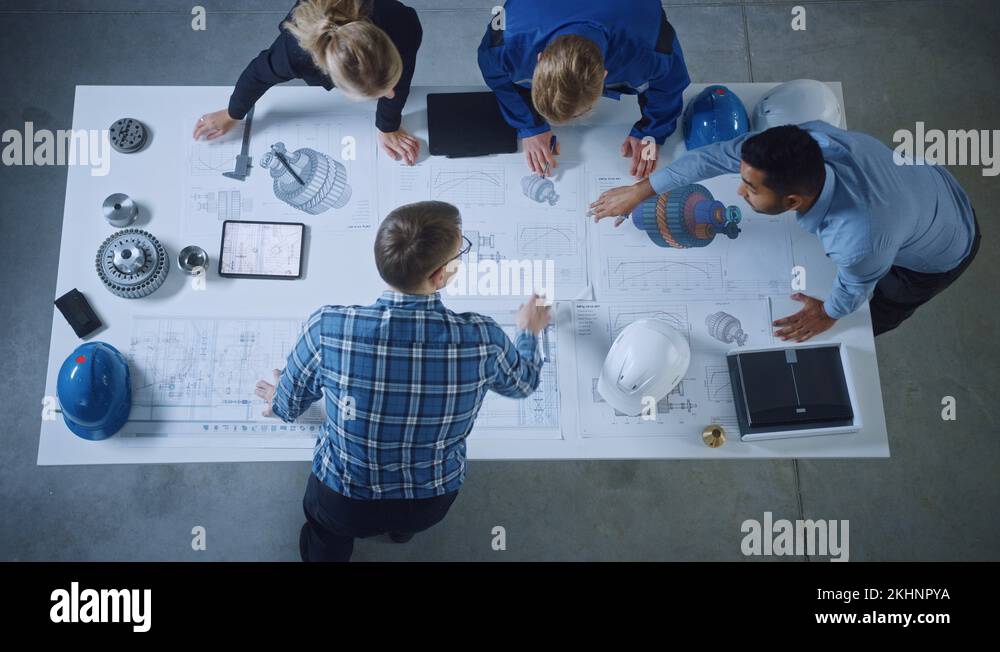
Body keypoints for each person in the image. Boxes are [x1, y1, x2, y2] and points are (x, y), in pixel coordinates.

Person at [254, 200, 551, 561]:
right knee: (404, 525)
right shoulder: (482, 339)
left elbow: (286, 407)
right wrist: (529, 332)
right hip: (428, 501)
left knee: (327, 536)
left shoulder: (328, 329)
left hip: (343, 498)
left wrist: (280, 396)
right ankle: (400, 534)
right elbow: (523, 384)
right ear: (440, 276)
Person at [589, 122, 980, 340]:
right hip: (928, 186)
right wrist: (642, 190)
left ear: (793, 201)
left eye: (751, 189)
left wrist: (828, 314)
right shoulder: (806, 141)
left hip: (939, 249)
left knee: (871, 315)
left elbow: (856, 285)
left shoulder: (859, 238)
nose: (738, 191)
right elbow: (711, 158)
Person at [477, 0, 689, 179]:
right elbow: (495, 74)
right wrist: (529, 126)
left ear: (605, 75)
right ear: (540, 59)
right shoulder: (505, 43)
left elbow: (668, 86)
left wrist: (651, 132)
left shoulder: (649, 48)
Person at [193, 0, 423, 165]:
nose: (393, 94)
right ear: (335, 79)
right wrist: (233, 113)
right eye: (376, 94)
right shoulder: (294, 52)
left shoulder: (403, 22)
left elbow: (396, 84)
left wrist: (388, 126)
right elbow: (257, 75)